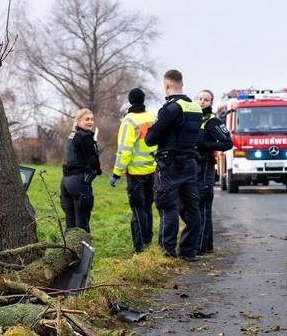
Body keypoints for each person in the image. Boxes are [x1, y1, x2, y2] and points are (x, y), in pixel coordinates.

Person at [144, 69, 203, 261]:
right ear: (182, 84)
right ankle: (189, 251)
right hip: (190, 164)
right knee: (192, 208)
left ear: (166, 85)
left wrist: (152, 129)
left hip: (170, 165)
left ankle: (166, 252)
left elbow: (151, 139)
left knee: (167, 207)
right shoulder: (195, 107)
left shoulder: (170, 109)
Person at [109, 88, 157, 253]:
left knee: (138, 208)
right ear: (143, 100)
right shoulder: (152, 118)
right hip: (152, 170)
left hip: (136, 173)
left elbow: (124, 150)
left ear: (130, 101)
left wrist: (117, 173)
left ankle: (141, 246)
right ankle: (148, 241)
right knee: (148, 206)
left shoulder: (129, 121)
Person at [194, 89, 233, 253]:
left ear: (211, 103)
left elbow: (227, 143)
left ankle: (202, 246)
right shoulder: (194, 118)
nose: (202, 102)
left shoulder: (212, 121)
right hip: (193, 167)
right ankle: (205, 245)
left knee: (203, 207)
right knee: (197, 207)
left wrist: (207, 145)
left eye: (206, 100)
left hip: (205, 167)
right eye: (200, 99)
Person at [60, 108, 101, 232]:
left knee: (70, 223)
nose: (90, 122)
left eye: (92, 119)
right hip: (78, 182)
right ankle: (82, 251)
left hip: (65, 182)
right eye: (87, 119)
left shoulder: (72, 135)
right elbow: (93, 161)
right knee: (82, 224)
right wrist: (98, 170)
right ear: (78, 122)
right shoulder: (84, 136)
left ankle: (70, 250)